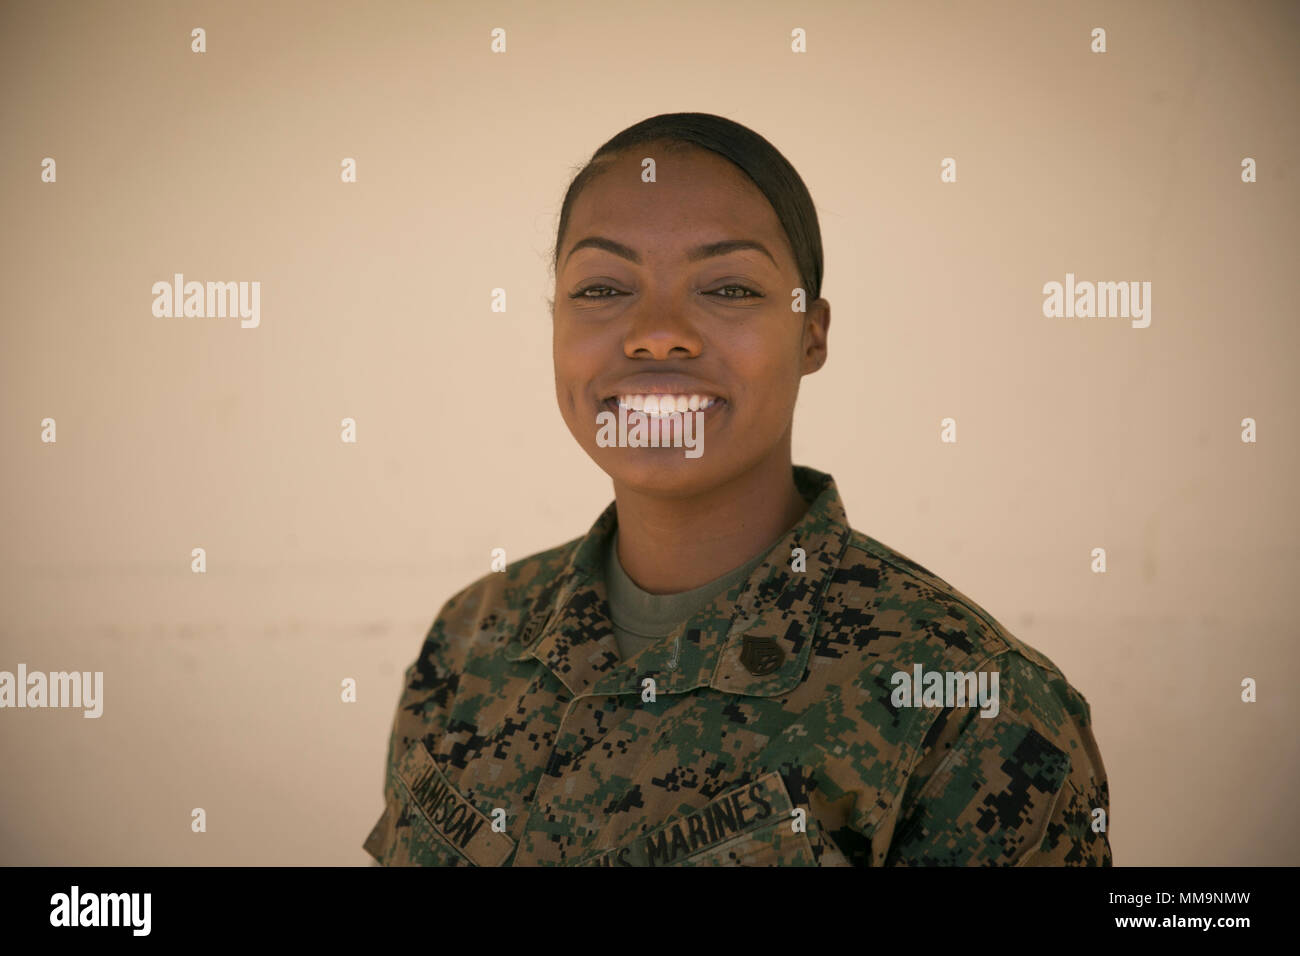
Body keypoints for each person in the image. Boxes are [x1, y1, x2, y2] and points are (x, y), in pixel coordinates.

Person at [363, 112, 1112, 866]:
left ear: (811, 335)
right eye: (600, 287)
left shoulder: (968, 705)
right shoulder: (470, 641)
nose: (657, 333)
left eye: (727, 286)